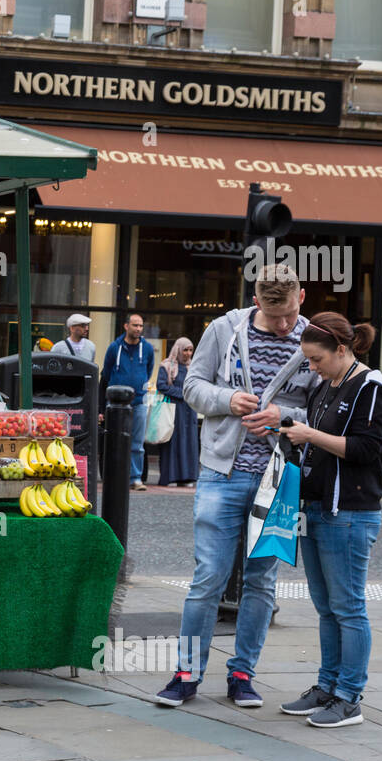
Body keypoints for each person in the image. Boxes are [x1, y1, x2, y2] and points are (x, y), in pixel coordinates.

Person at [155, 264, 318, 709]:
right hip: (220, 474)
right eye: (273, 316)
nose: (284, 325)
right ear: (256, 300)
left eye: (288, 314)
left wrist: (286, 417)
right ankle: (186, 674)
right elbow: (192, 387)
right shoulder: (223, 329)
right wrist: (227, 400)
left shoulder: (313, 339)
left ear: (300, 296)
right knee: (207, 577)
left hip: (279, 479)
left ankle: (243, 674)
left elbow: (324, 411)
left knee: (262, 581)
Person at [279, 312, 382, 728]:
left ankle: (349, 697)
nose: (312, 368)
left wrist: (310, 435)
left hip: (350, 512)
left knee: (348, 608)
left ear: (342, 350)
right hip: (316, 508)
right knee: (326, 608)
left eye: (316, 359)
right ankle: (327, 687)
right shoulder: (328, 385)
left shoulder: (372, 388)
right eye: (308, 360)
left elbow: (367, 450)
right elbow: (319, 442)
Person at [100, 312, 155, 491]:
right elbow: (106, 375)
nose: (138, 329)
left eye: (140, 326)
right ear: (126, 326)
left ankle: (136, 478)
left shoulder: (146, 349)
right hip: (115, 403)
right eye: (135, 325)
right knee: (114, 440)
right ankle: (114, 476)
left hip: (138, 401)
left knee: (137, 444)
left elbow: (148, 369)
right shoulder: (114, 348)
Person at [155, 337, 198, 487]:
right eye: (185, 349)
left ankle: (187, 478)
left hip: (189, 411)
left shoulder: (194, 367)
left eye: (190, 350)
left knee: (188, 443)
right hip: (172, 410)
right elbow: (161, 385)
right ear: (178, 349)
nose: (187, 353)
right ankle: (170, 477)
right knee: (172, 443)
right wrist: (182, 394)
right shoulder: (167, 366)